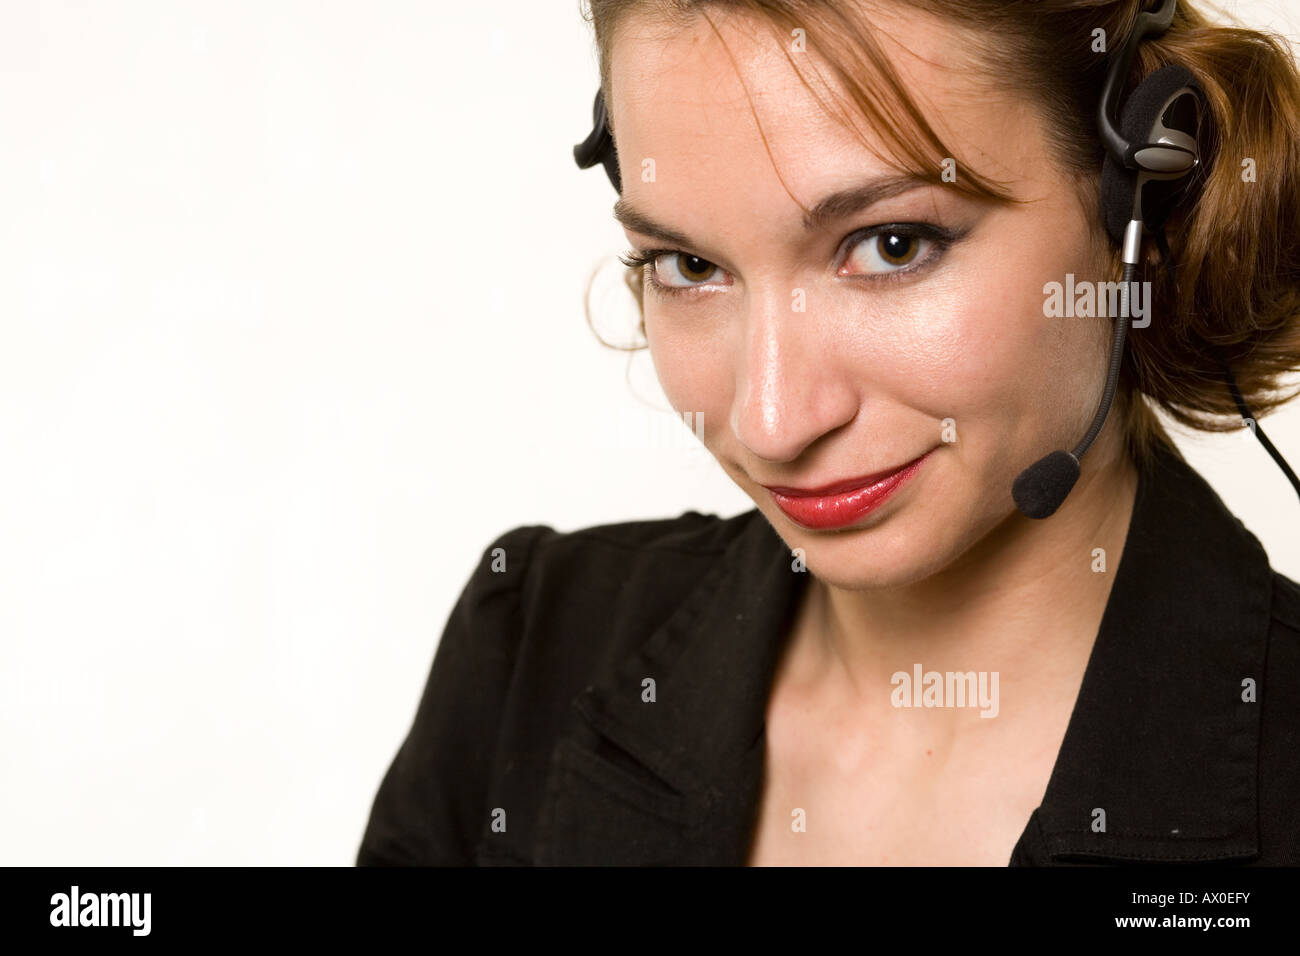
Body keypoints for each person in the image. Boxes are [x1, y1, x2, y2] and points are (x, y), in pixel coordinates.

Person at [356, 0, 1300, 865]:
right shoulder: (532, 649)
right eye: (689, 264)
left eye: (893, 245)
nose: (771, 423)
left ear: (1143, 209)